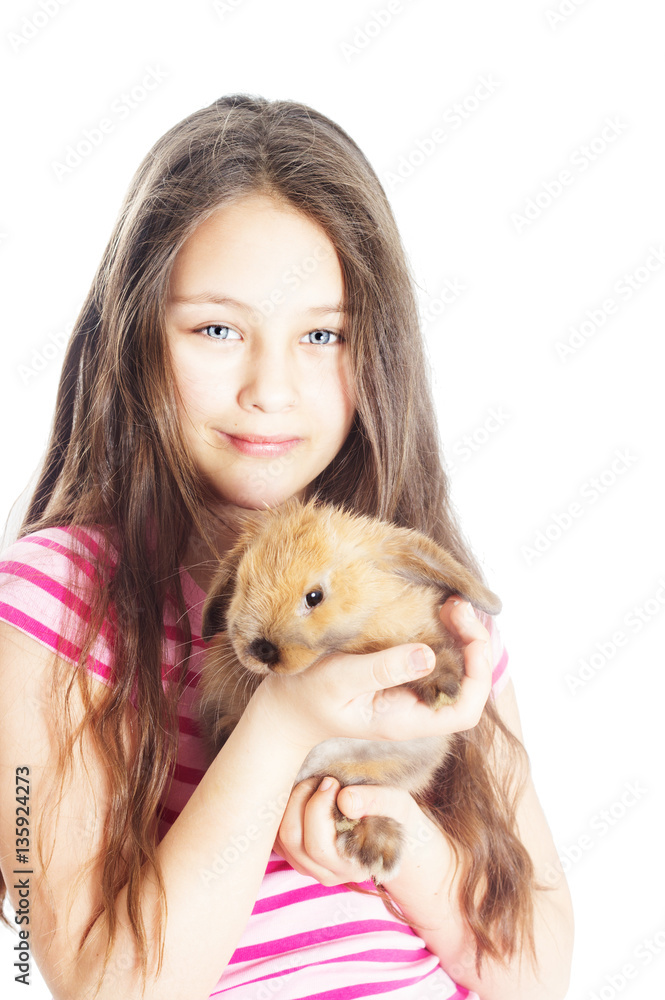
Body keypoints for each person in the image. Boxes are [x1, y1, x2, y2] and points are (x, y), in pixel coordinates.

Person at [0, 94, 573, 999]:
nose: (272, 388)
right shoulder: (55, 601)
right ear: (136, 337)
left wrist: (401, 843)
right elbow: (97, 981)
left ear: (377, 353)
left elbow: (536, 971)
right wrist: (286, 722)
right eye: (218, 330)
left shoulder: (423, 602)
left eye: (322, 335)